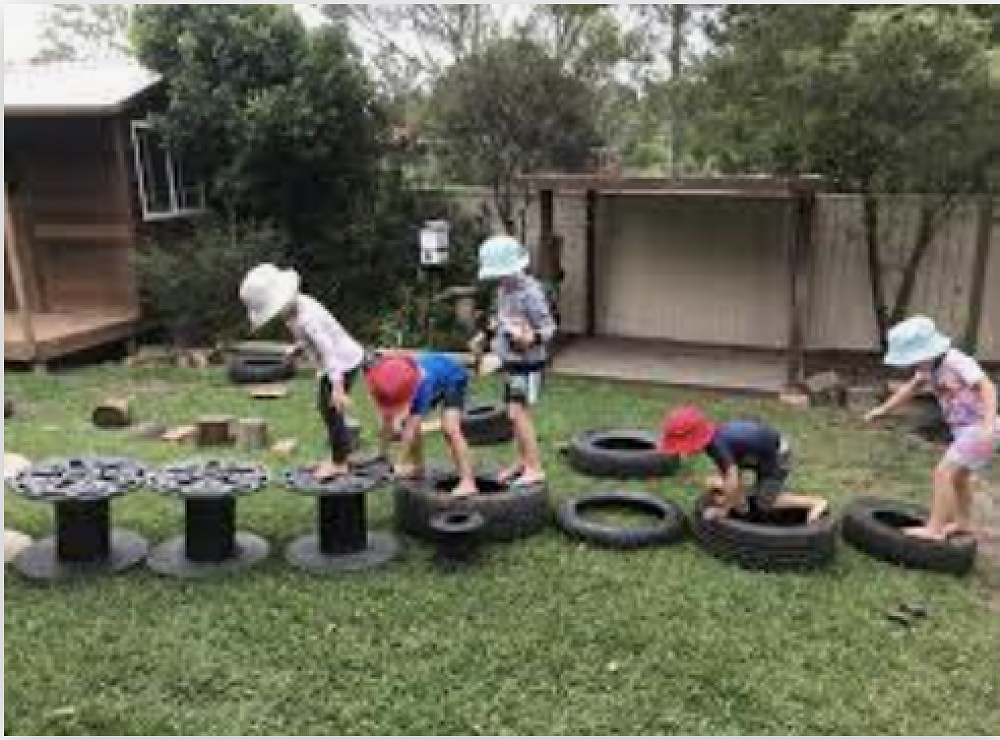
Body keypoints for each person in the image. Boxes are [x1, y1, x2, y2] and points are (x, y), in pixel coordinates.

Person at [865, 315, 998, 540]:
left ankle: (935, 529)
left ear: (928, 351)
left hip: (980, 427)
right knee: (959, 477)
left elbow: (988, 387)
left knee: (943, 473)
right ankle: (963, 523)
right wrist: (883, 410)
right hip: (964, 431)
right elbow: (909, 390)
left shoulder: (957, 361)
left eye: (914, 359)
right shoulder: (928, 367)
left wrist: (987, 423)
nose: (912, 365)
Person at [239, 263, 364, 481]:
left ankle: (339, 463)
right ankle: (340, 456)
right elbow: (309, 338)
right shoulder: (295, 310)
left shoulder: (308, 318)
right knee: (329, 411)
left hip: (343, 362)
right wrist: (298, 348)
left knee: (330, 409)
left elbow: (329, 352)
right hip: (334, 362)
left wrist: (338, 388)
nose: (275, 316)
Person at [477, 235, 557, 487]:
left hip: (528, 364)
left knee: (518, 413)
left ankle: (534, 468)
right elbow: (502, 319)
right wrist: (487, 335)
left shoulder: (531, 293)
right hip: (511, 363)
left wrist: (530, 339)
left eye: (502, 273)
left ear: (515, 268)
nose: (498, 279)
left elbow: (548, 328)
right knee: (515, 415)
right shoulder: (504, 289)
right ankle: (522, 461)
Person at [660, 405, 828, 522]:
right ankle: (742, 507)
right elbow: (730, 472)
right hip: (752, 455)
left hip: (777, 457)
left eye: (684, 447)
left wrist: (723, 510)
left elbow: (732, 478)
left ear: (696, 439)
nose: (684, 451)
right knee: (724, 482)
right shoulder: (713, 441)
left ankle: (815, 501)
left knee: (765, 502)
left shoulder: (718, 446)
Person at [366, 351, 478, 496]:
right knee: (411, 422)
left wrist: (399, 463)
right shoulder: (391, 381)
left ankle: (468, 481)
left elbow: (410, 430)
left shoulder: (421, 386)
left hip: (453, 377)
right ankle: (418, 467)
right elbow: (386, 422)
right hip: (428, 376)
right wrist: (382, 454)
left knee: (450, 428)